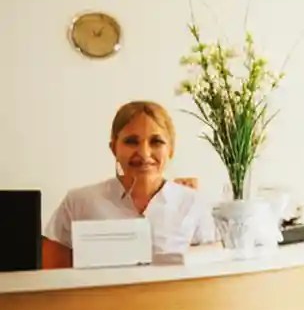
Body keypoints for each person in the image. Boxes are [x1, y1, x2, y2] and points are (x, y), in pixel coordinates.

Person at [42, 100, 216, 267]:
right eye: (131, 141)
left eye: (156, 142)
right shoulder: (78, 203)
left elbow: (209, 275)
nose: (144, 152)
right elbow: (50, 278)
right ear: (114, 148)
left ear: (171, 149)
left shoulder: (194, 204)